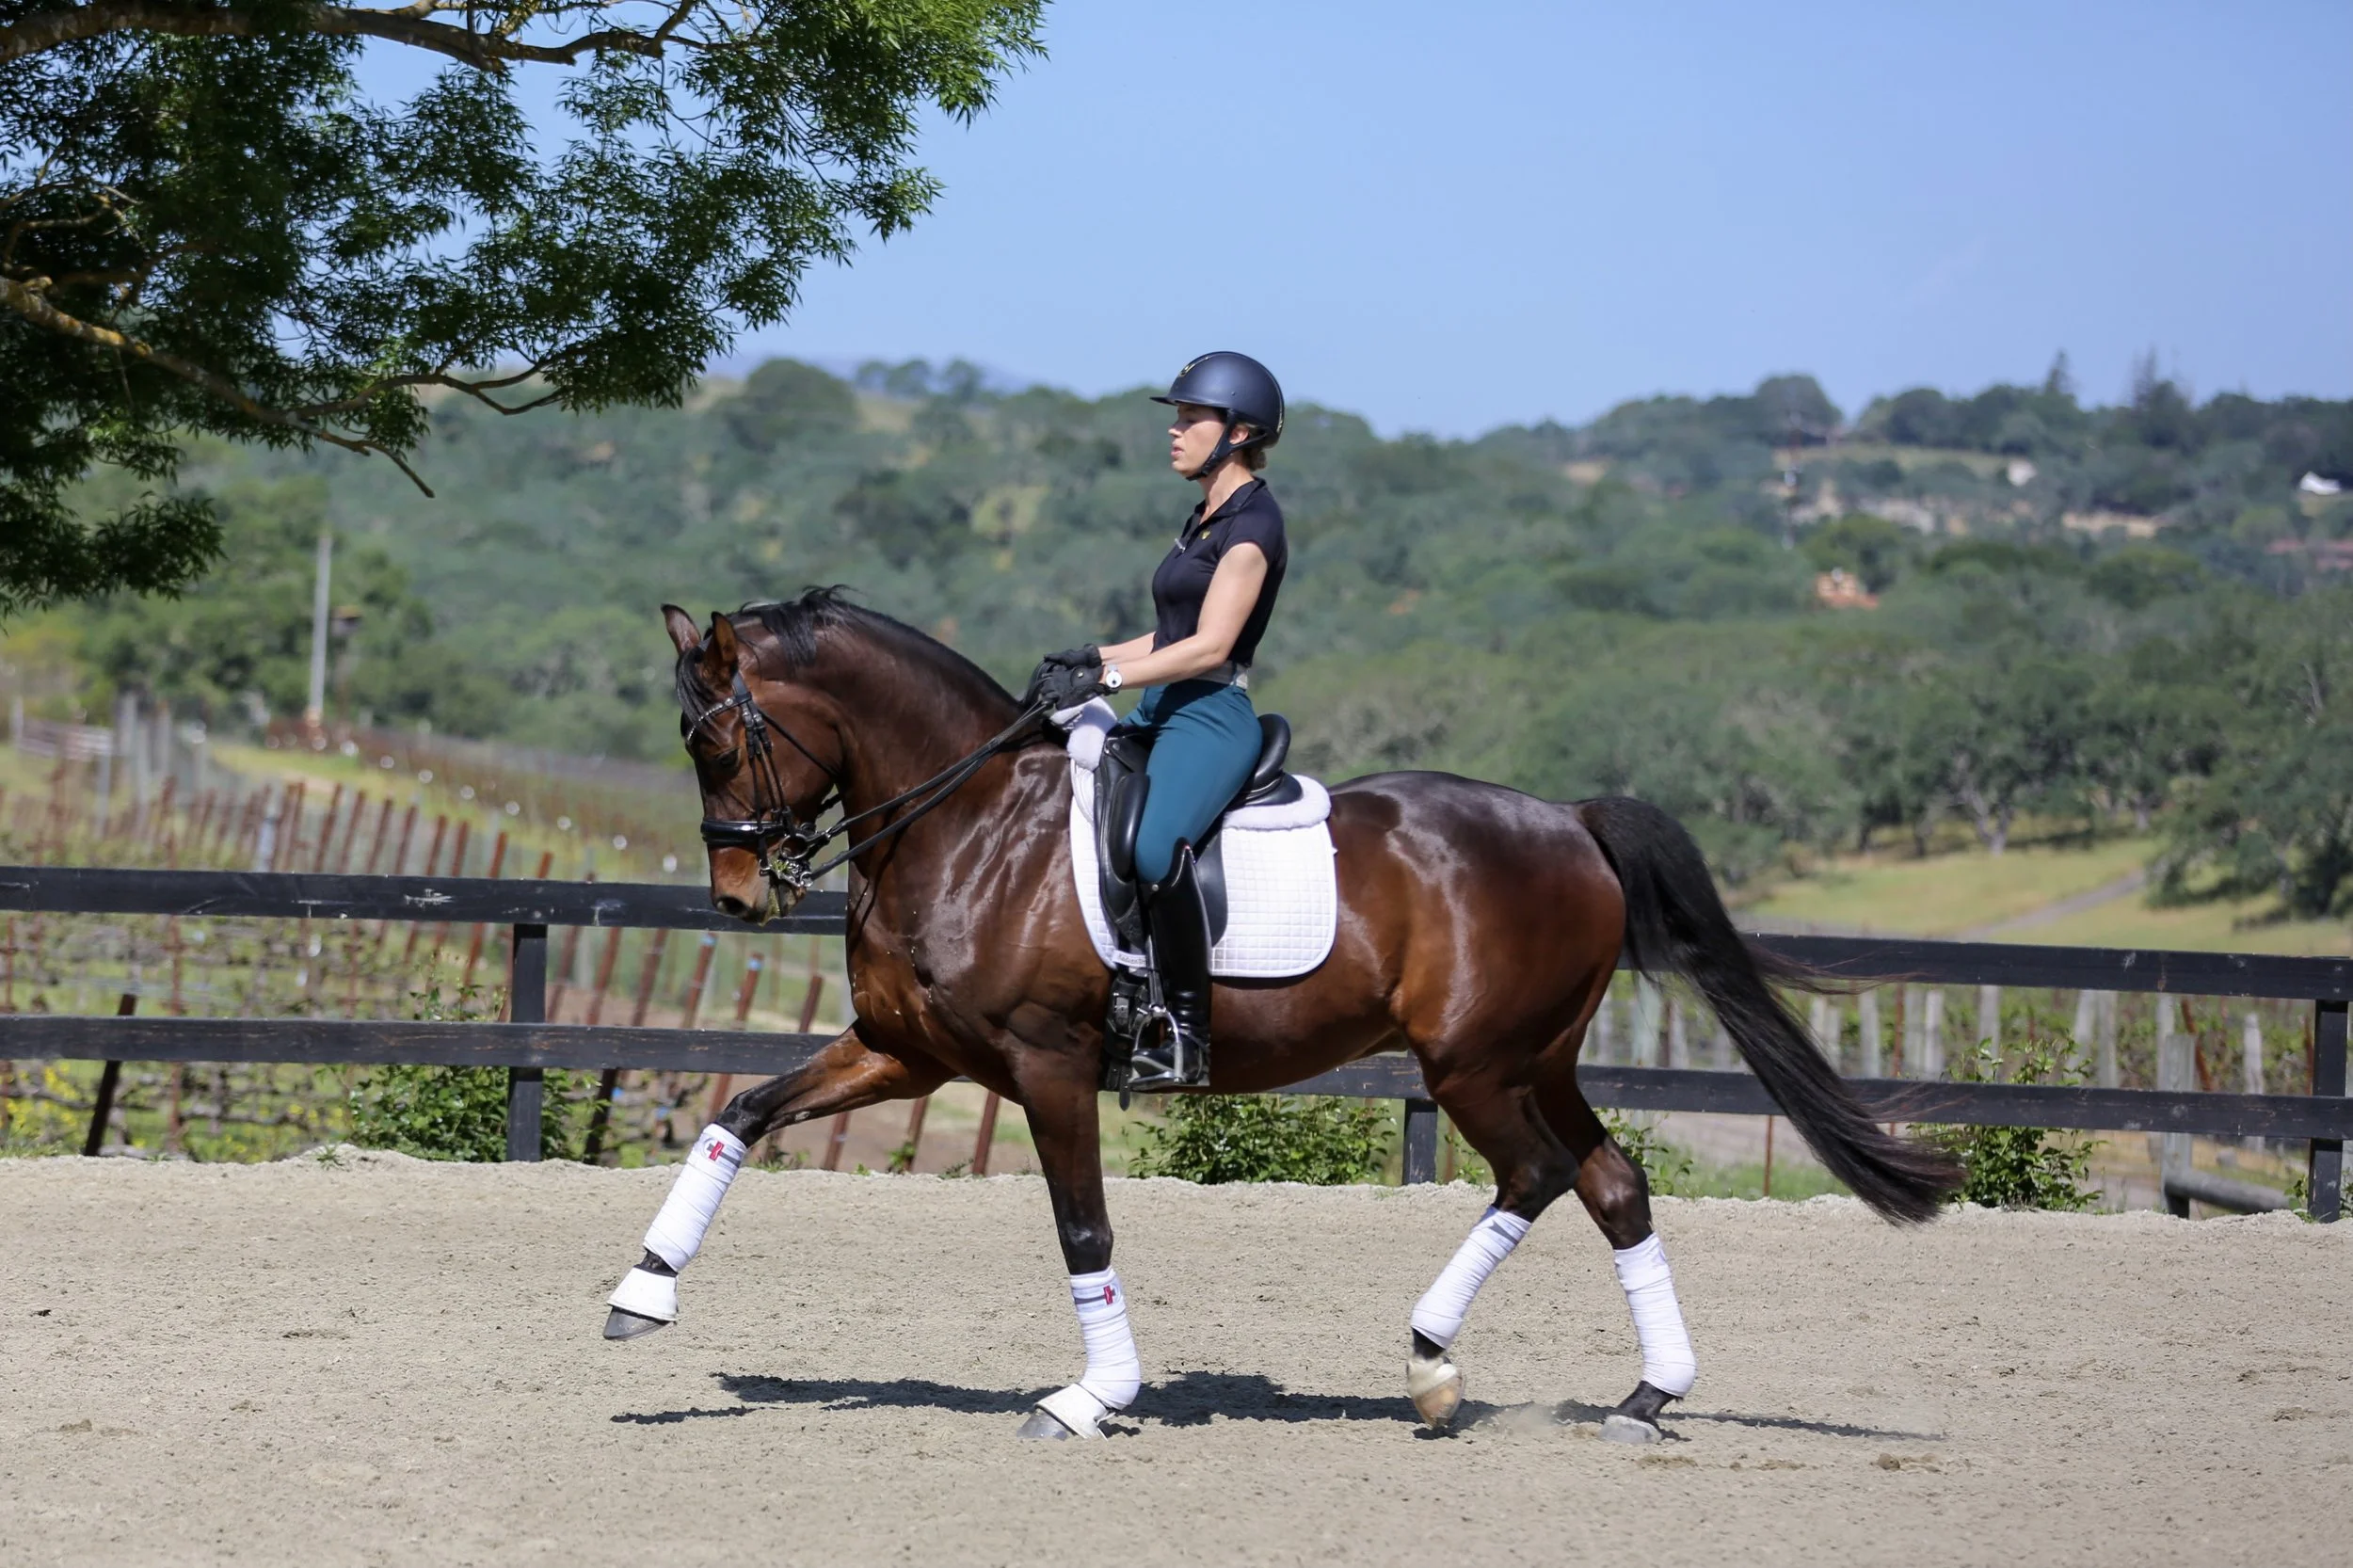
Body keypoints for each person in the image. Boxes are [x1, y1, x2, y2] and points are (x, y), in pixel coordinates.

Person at [1027, 351, 1289, 1091]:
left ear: (1237, 432)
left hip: (1210, 715)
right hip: (1161, 703)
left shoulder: (1253, 525)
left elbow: (1209, 646)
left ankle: (1185, 1031)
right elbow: (1170, 633)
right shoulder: (1205, 515)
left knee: (1150, 850)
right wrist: (1086, 656)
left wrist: (1106, 677)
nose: (1173, 432)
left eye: (1188, 419)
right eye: (1175, 418)